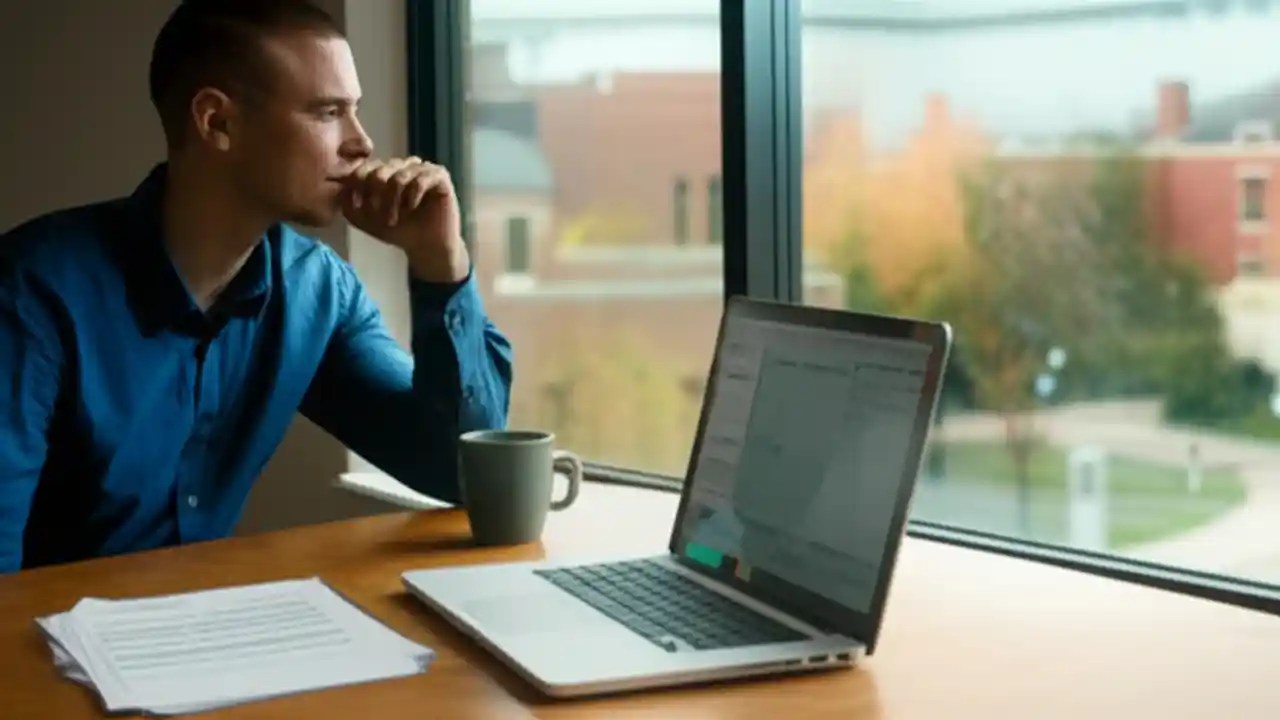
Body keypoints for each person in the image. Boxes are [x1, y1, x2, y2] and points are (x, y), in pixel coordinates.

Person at [0, 0, 513, 572]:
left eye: (356, 110)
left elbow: (462, 472)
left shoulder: (316, 293)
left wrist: (441, 260)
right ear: (216, 123)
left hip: (202, 630)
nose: (362, 143)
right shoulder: (32, 296)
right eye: (328, 112)